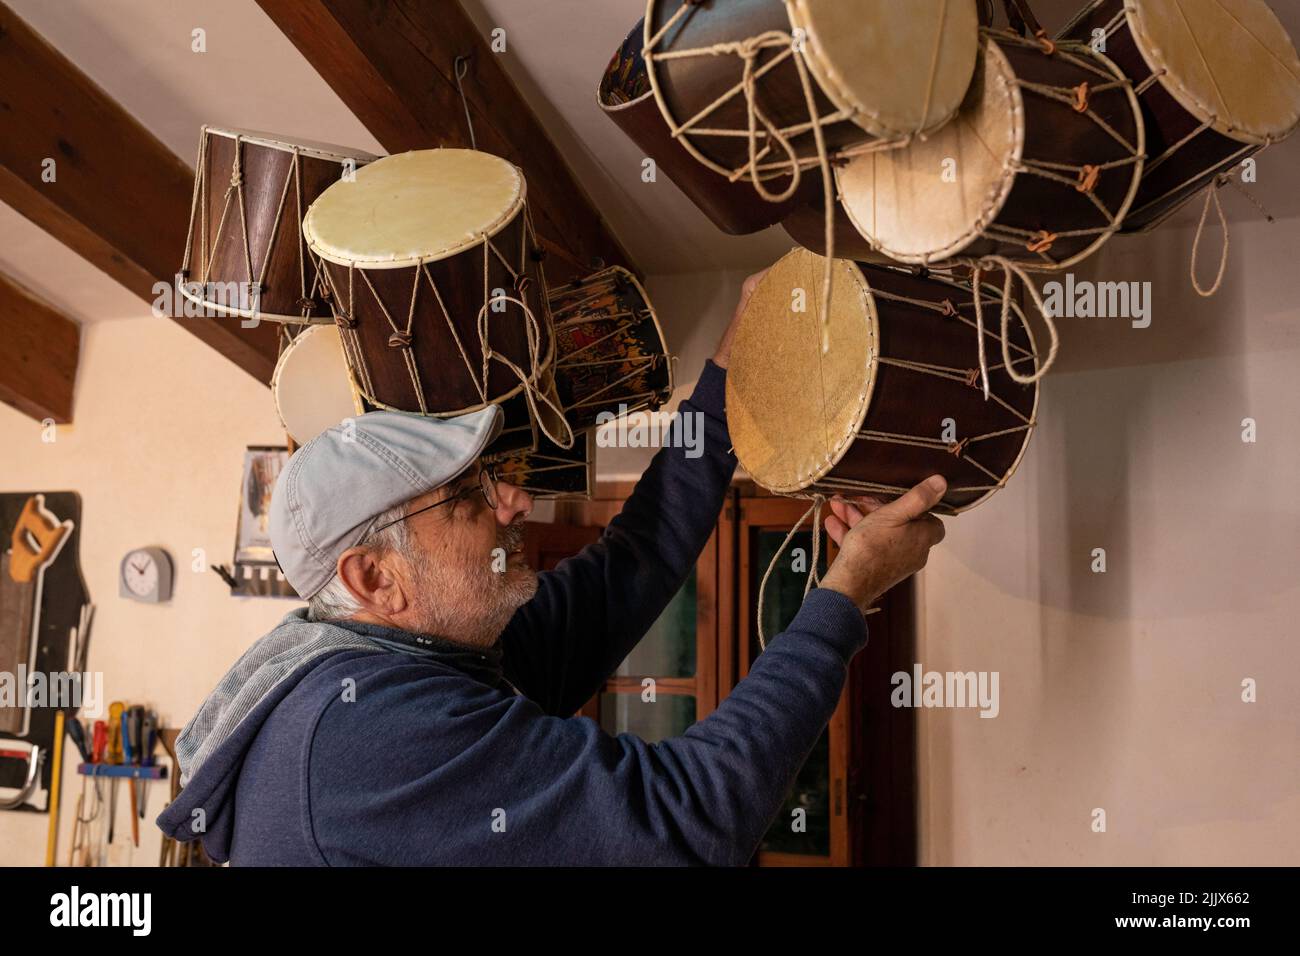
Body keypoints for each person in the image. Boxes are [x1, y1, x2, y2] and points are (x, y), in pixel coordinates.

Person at [157, 273, 947, 865]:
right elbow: (684, 819)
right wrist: (846, 591)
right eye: (468, 498)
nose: (514, 503)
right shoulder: (360, 733)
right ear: (374, 579)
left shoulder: (415, 659)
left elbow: (630, 566)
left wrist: (725, 385)